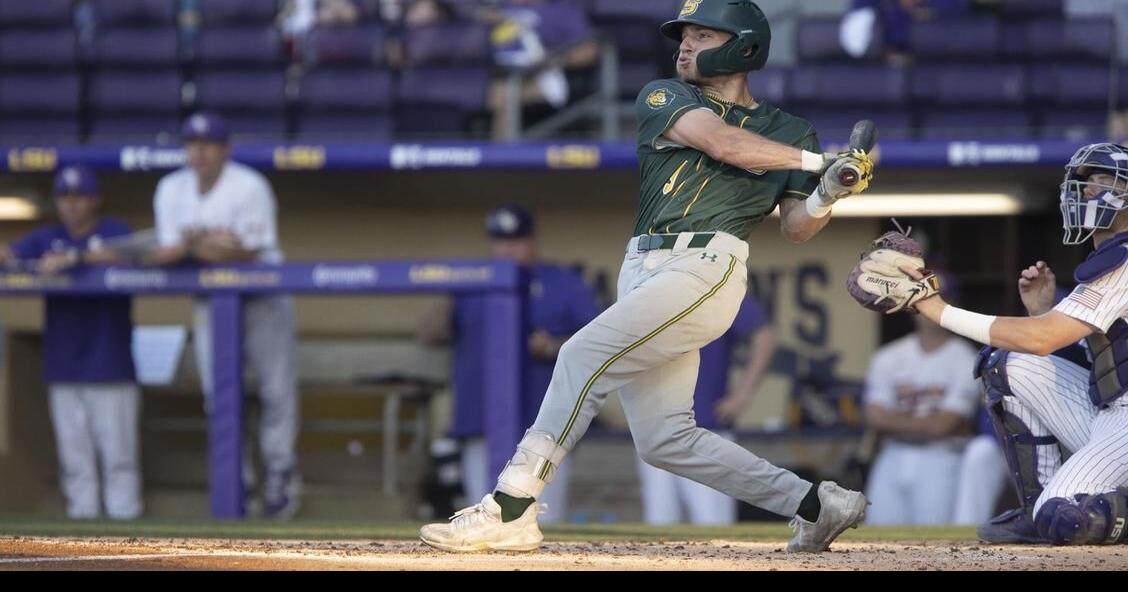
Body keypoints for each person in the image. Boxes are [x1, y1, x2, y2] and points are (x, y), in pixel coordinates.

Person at [420, 0, 875, 554]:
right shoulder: (665, 94)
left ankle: (511, 506)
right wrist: (819, 163)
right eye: (684, 35)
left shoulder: (789, 130)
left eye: (703, 35)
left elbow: (798, 229)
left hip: (706, 266)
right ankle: (816, 505)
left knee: (581, 355)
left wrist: (829, 192)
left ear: (744, 46)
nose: (684, 45)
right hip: (642, 266)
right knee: (664, 439)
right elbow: (723, 143)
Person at [862, 142, 1128, 545]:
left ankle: (1058, 511)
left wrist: (936, 309)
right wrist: (1042, 312)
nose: (1086, 191)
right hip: (1110, 410)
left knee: (1066, 521)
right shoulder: (1106, 262)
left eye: (1101, 182)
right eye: (1085, 182)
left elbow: (1043, 340)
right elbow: (1097, 359)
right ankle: (1036, 506)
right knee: (1007, 364)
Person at [151, 112, 301, 519]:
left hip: (262, 298)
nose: (198, 151)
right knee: (219, 397)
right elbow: (167, 254)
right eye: (192, 143)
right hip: (210, 302)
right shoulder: (170, 188)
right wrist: (210, 242)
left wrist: (194, 242)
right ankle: (238, 482)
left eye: (208, 144)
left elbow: (247, 252)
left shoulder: (249, 185)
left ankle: (279, 476)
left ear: (225, 149)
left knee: (276, 392)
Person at [419, 204, 602, 524]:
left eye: (516, 241)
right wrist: (452, 284)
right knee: (483, 520)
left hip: (544, 424)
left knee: (542, 519)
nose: (507, 249)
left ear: (533, 241)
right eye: (500, 241)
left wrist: (555, 345)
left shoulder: (563, 283)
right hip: (482, 419)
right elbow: (430, 334)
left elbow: (600, 342)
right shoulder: (472, 283)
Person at [0, 165, 142, 520]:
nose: (72, 205)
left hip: (110, 365)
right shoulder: (47, 237)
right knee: (75, 460)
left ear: (94, 200)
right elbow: (12, 255)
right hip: (63, 364)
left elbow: (137, 252)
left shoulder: (114, 231)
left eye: (79, 197)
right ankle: (83, 534)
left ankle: (129, 532)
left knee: (119, 459)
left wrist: (75, 259)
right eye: (65, 197)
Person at [635, 295, 777, 525]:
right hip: (655, 430)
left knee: (714, 529)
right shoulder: (646, 286)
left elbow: (765, 336)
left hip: (705, 430)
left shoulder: (712, 285)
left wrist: (742, 395)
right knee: (659, 530)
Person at [861, 277, 980, 525]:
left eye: (936, 300)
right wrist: (925, 422)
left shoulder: (966, 359)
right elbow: (874, 417)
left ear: (952, 307)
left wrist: (894, 420)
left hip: (941, 458)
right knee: (877, 540)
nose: (927, 308)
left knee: (933, 540)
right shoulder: (889, 356)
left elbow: (943, 426)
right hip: (891, 456)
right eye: (921, 300)